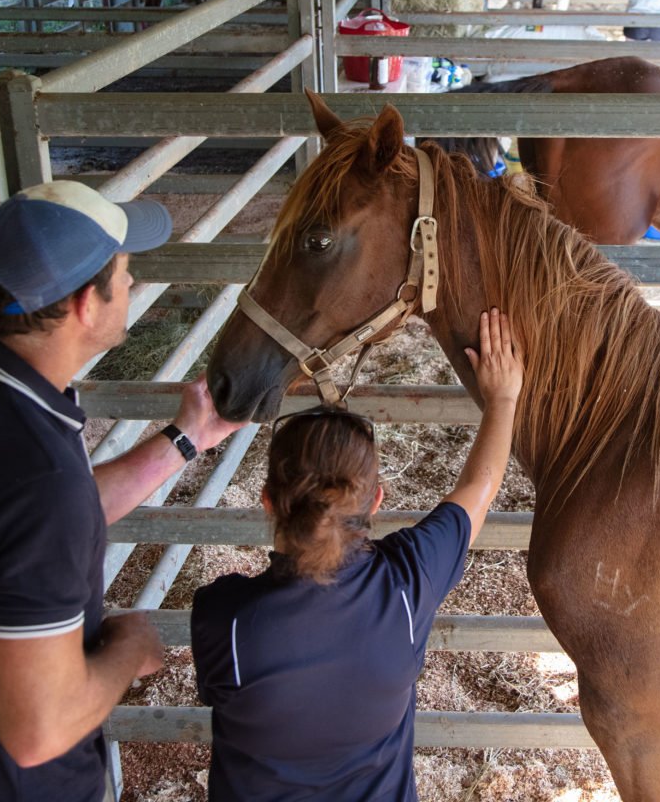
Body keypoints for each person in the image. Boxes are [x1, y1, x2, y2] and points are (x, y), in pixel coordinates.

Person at [0, 181, 247, 801]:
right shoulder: (35, 478)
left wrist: (187, 438)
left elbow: (45, 517)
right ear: (84, 304)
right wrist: (128, 650)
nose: (131, 286)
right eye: (125, 273)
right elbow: (39, 731)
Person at [191, 308, 524, 802]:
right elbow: (479, 488)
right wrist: (503, 399)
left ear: (267, 500)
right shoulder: (408, 584)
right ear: (376, 501)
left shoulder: (225, 617)